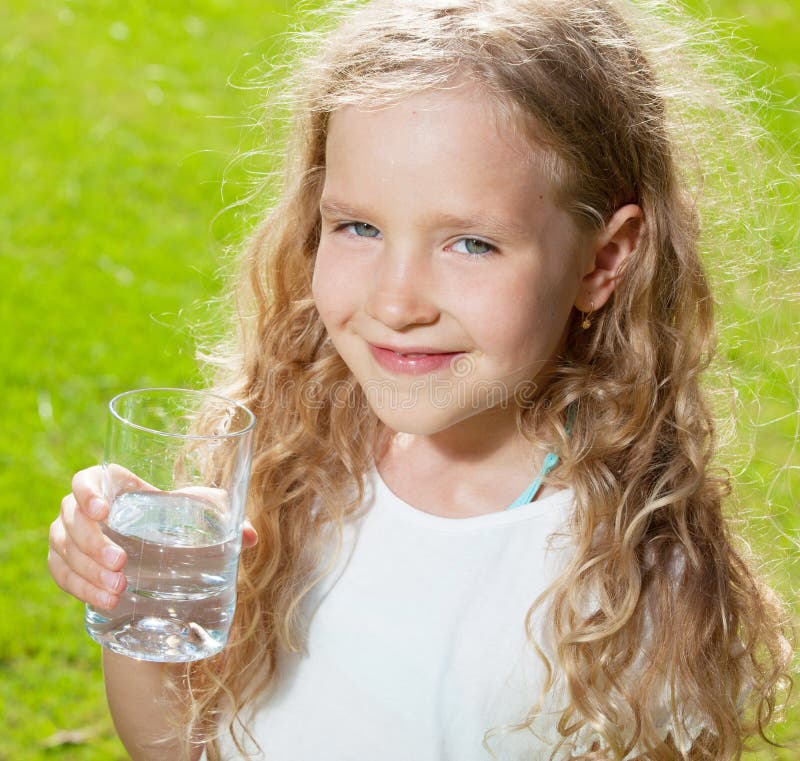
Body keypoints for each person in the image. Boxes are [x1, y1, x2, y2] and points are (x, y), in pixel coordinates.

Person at [47, 0, 793, 759]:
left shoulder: (629, 580)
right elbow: (178, 748)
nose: (396, 303)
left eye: (470, 243)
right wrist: (137, 602)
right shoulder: (293, 458)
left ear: (603, 260)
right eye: (359, 227)